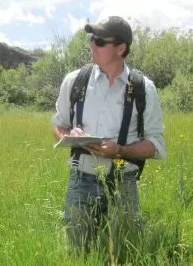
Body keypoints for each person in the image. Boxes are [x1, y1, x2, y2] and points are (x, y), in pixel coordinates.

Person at [51, 16, 166, 255]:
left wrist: (120, 151)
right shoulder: (74, 81)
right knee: (77, 252)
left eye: (100, 41)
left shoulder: (144, 88)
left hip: (123, 182)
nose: (92, 45)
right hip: (80, 178)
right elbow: (58, 125)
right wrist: (69, 134)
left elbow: (155, 145)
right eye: (92, 39)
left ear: (121, 48)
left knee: (126, 251)